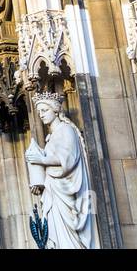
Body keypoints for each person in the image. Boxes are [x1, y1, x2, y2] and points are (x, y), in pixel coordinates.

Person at [25, 92, 98, 248]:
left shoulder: (66, 130)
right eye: (39, 112)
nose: (41, 115)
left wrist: (42, 160)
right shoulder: (51, 137)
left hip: (66, 192)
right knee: (54, 230)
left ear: (56, 110)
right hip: (53, 192)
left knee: (69, 236)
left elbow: (68, 159)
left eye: (44, 110)